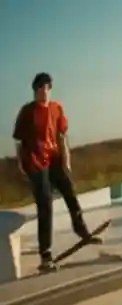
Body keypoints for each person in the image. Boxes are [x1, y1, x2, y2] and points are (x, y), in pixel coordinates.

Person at [11, 72, 96, 272]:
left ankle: (81, 229)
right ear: (35, 90)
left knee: (70, 191)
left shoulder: (57, 108)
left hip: (55, 158)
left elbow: (62, 135)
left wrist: (67, 159)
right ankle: (45, 255)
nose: (44, 92)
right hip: (35, 161)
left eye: (47, 87)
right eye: (40, 88)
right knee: (45, 204)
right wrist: (20, 164)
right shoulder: (27, 111)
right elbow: (18, 140)